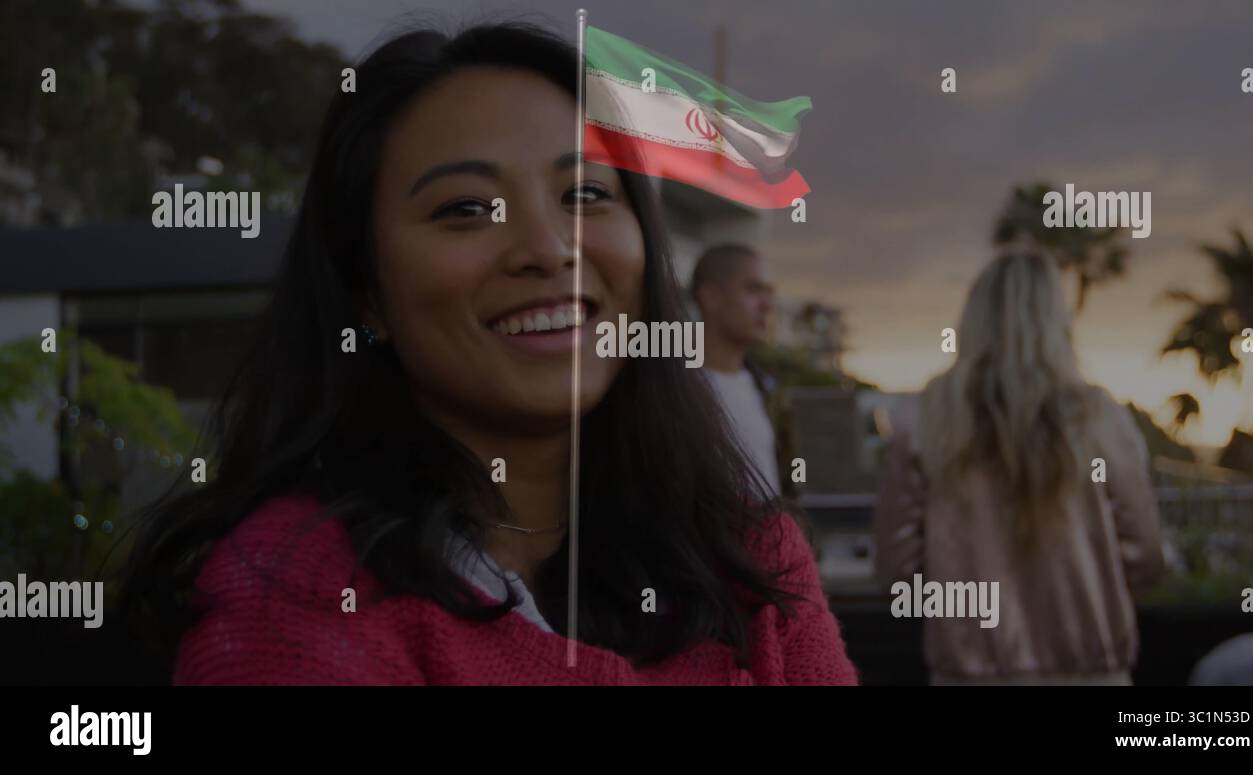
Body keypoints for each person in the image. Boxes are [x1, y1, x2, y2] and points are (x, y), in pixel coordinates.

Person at [121, 23, 856, 686]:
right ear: (365, 292)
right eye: (467, 208)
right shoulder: (289, 609)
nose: (548, 247)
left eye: (587, 193)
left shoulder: (752, 557)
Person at [875, 252, 1164, 685]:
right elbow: (1144, 557)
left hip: (968, 673)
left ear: (972, 320)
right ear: (1057, 321)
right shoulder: (1103, 421)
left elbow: (897, 570)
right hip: (1088, 673)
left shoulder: (923, 420)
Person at [692, 244, 798, 499]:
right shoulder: (667, 389)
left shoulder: (769, 391)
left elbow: (787, 485)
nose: (767, 305)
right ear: (711, 297)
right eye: (753, 289)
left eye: (769, 292)